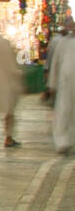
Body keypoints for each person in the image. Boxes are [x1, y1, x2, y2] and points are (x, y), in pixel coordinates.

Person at [46, 24, 75, 154]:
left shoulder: (64, 42)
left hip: (67, 81)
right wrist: (52, 85)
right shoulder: (63, 42)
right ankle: (63, 141)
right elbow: (56, 63)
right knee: (64, 111)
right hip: (66, 82)